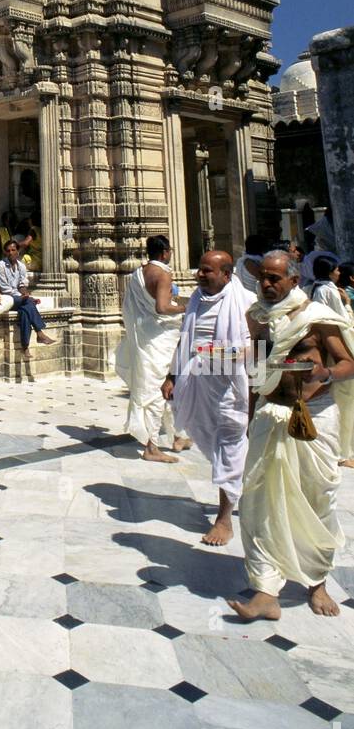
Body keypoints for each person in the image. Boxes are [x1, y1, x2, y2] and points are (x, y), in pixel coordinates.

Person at [228, 251, 354, 622]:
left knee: (317, 500)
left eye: (275, 279)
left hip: (313, 416)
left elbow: (347, 362)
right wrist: (251, 417)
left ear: (294, 281)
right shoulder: (258, 318)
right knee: (260, 503)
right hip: (272, 413)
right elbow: (258, 369)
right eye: (263, 278)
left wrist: (323, 376)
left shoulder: (316, 319)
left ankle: (316, 582)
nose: (266, 284)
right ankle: (266, 591)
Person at [162, 253, 251, 545]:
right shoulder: (197, 300)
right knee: (215, 445)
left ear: (226, 274)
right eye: (200, 269)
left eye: (206, 270)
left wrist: (228, 358)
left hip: (230, 387)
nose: (199, 274)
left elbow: (258, 347)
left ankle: (224, 519)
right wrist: (173, 376)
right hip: (198, 382)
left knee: (229, 446)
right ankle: (243, 487)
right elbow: (185, 340)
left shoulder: (246, 302)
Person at [115, 235, 189, 463]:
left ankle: (178, 436)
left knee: (166, 386)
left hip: (146, 336)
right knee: (159, 390)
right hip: (160, 337)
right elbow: (162, 307)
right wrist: (184, 307)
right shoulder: (163, 274)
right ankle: (152, 446)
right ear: (165, 252)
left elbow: (132, 306)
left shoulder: (140, 272)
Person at [0, 239, 54, 349]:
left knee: (25, 312)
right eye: (8, 251)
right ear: (5, 252)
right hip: (6, 298)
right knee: (28, 302)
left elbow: (22, 285)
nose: (11, 253)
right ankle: (40, 333)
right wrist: (25, 298)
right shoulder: (0, 265)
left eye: (13, 250)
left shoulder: (21, 266)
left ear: (18, 251)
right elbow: (4, 289)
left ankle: (25, 347)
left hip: (18, 299)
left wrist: (26, 294)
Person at [306, 257, 351, 322]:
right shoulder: (328, 291)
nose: (339, 273)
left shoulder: (315, 287)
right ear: (330, 273)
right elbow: (345, 319)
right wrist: (347, 301)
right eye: (337, 270)